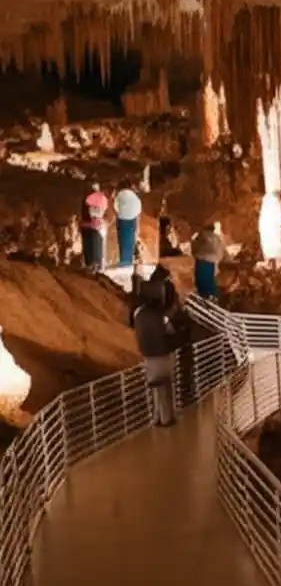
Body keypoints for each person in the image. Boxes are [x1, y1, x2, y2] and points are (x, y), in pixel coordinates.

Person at [133, 292, 177, 427]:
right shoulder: (159, 316)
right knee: (165, 387)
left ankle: (156, 417)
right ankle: (166, 418)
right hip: (161, 354)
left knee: (154, 388)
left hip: (147, 355)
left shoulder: (137, 314)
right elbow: (170, 330)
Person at [191, 221, 225, 299]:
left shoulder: (202, 235)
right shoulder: (217, 238)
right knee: (209, 284)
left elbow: (195, 248)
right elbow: (220, 252)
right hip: (212, 263)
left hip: (202, 262)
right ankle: (212, 300)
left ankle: (204, 300)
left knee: (202, 284)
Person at [113, 180, 142, 268]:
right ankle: (129, 260)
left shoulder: (120, 194)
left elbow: (115, 206)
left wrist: (119, 213)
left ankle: (124, 260)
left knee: (122, 239)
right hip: (133, 219)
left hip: (123, 218)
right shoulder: (134, 195)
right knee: (130, 239)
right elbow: (139, 206)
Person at [80, 183, 107, 273]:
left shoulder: (87, 200)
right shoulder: (98, 199)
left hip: (91, 227)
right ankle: (95, 265)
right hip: (93, 227)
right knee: (95, 247)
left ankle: (94, 265)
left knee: (92, 247)